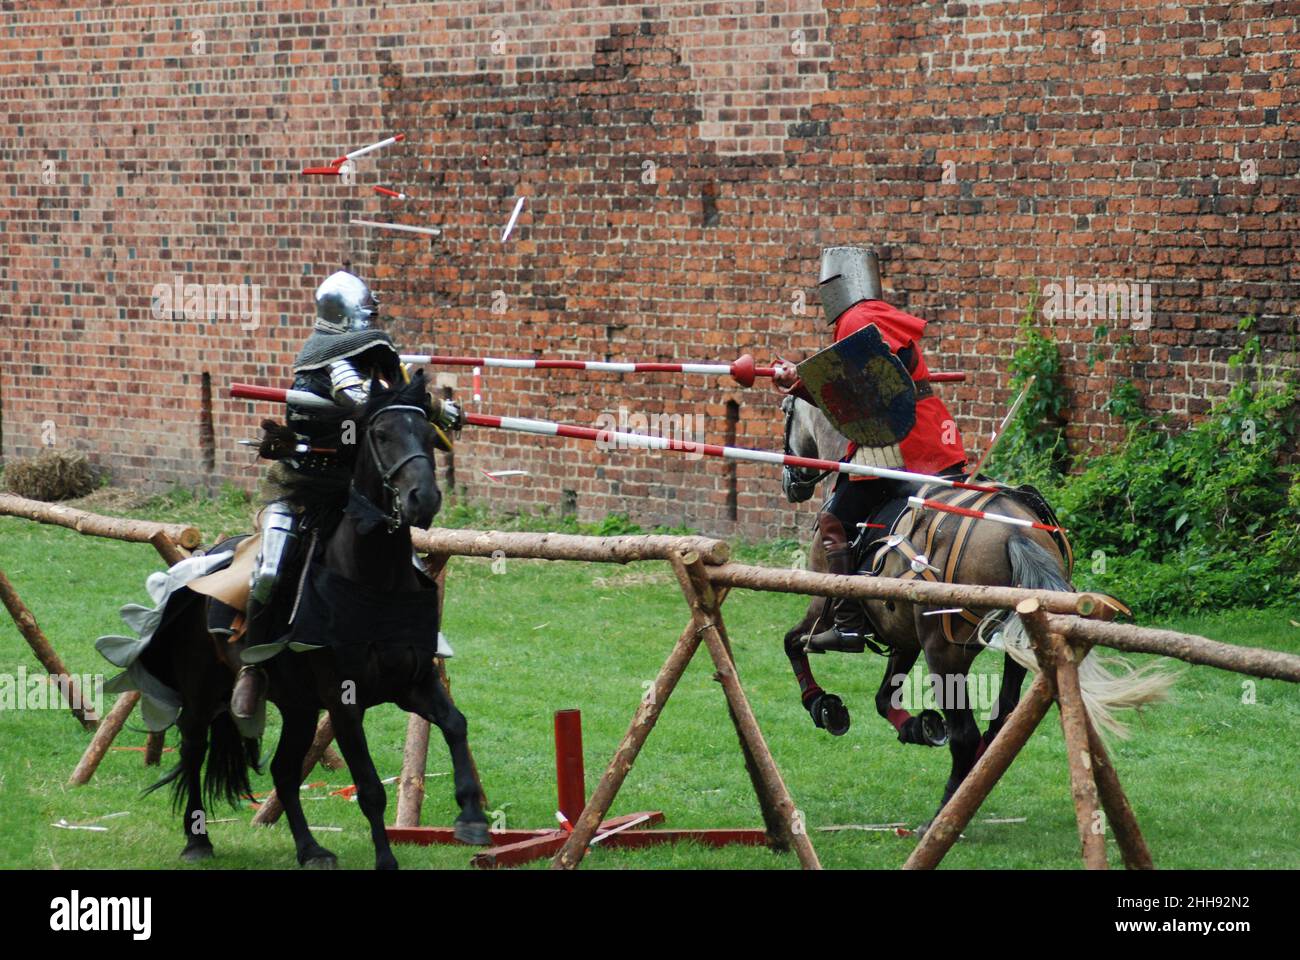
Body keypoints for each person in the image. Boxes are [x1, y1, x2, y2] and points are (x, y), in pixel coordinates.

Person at [229, 269, 463, 719]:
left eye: (371, 314)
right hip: (307, 484)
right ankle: (254, 668)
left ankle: (417, 643)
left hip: (359, 488)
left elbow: (398, 399)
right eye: (363, 314)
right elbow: (361, 400)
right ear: (339, 317)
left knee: (407, 567)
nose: (369, 323)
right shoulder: (326, 361)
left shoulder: (378, 359)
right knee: (270, 568)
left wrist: (439, 409)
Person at [773, 247, 967, 653]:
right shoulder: (879, 315)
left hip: (897, 444)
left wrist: (798, 381)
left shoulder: (856, 319)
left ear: (839, 285)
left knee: (835, 519)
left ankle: (846, 623)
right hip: (934, 437)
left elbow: (859, 393)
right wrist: (801, 379)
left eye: (827, 286)